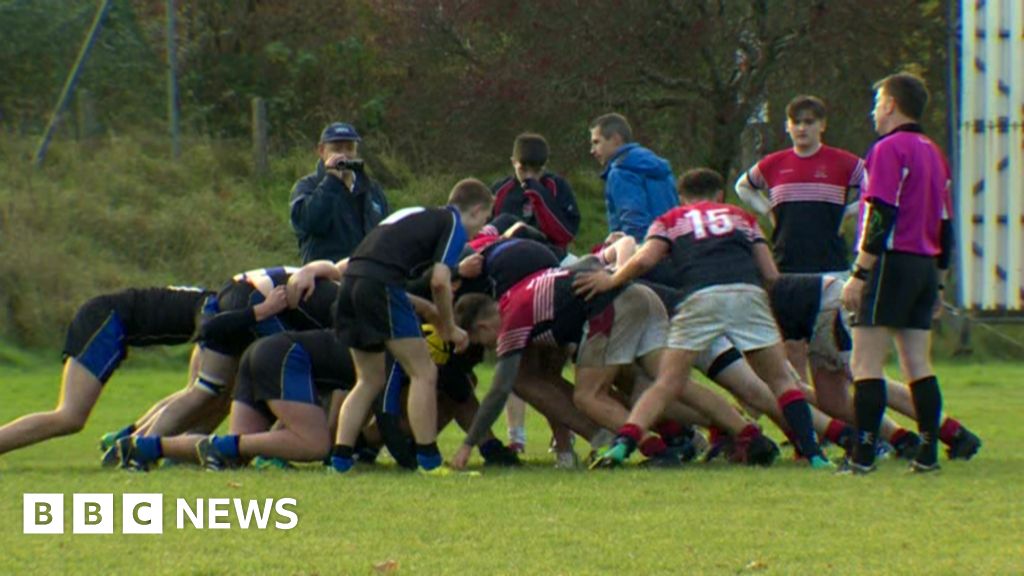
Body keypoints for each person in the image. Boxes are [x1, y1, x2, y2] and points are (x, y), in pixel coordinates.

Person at [575, 168, 830, 469]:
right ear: (720, 195)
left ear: (682, 197)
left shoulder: (671, 220)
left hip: (700, 298)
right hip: (747, 293)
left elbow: (644, 259)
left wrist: (612, 280)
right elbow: (771, 274)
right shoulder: (742, 217)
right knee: (782, 381)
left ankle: (622, 446)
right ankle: (814, 455)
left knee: (666, 383)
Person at [329, 178, 492, 475]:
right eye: (484, 221)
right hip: (380, 286)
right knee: (425, 372)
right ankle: (429, 462)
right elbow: (440, 281)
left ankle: (339, 462)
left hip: (350, 282)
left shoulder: (417, 213)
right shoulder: (452, 222)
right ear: (478, 210)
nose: (480, 229)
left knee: (368, 379)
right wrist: (450, 327)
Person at [839, 73, 955, 474]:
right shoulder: (934, 152)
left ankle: (864, 454)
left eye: (877, 102)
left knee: (865, 362)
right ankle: (928, 452)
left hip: (890, 261)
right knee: (917, 364)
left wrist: (859, 271)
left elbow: (880, 212)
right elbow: (946, 224)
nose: (873, 110)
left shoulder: (888, 149)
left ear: (890, 104)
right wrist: (939, 281)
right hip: (924, 265)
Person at [0, 286, 213, 459]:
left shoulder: (217, 303)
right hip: (106, 320)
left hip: (105, 317)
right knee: (70, 417)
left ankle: (129, 441)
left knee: (197, 392)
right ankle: (136, 445)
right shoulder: (217, 309)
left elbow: (194, 393)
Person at [734, 95, 865, 274]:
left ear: (822, 125)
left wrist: (849, 212)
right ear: (787, 126)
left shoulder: (843, 161)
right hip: (786, 265)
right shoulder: (773, 163)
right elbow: (742, 187)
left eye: (809, 122)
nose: (802, 128)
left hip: (832, 266)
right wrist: (767, 209)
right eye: (796, 122)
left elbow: (879, 188)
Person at [289, 122, 390, 264]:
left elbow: (386, 234)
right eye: (336, 149)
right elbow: (309, 223)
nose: (344, 155)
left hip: (365, 275)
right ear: (321, 150)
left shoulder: (372, 190)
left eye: (349, 148)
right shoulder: (307, 186)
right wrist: (332, 181)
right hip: (325, 276)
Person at [589, 113, 678, 241]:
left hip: (645, 251)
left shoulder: (621, 172)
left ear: (615, 139)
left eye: (596, 142)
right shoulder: (660, 168)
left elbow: (633, 222)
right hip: (672, 247)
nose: (592, 151)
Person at [491, 133, 580, 252]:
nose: (529, 176)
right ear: (513, 162)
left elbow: (567, 233)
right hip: (506, 253)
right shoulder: (500, 190)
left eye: (536, 171)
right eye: (523, 170)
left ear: (545, 165)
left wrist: (539, 196)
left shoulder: (557, 187)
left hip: (548, 253)